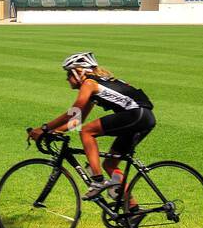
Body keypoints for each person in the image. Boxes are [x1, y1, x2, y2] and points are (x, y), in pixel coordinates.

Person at [30, 51, 155, 201]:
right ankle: (133, 209)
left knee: (87, 132)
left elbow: (73, 111)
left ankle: (97, 181)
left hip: (136, 115)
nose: (67, 79)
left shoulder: (89, 83)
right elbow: (77, 120)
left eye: (68, 74)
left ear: (79, 71)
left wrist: (44, 128)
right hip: (143, 118)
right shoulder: (96, 84)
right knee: (110, 164)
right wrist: (54, 132)